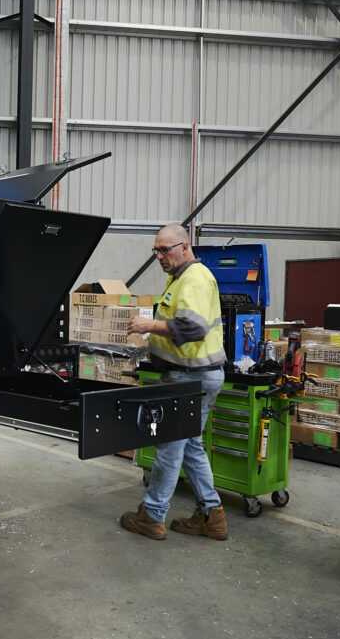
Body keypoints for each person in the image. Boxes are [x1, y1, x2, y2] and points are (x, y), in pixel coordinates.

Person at [120, 224, 228, 541]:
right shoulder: (178, 278)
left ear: (184, 246)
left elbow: (192, 328)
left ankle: (152, 516)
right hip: (191, 376)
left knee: (169, 446)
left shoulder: (195, 278)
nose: (159, 256)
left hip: (191, 378)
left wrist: (148, 325)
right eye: (156, 250)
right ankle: (212, 516)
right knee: (191, 446)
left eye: (165, 249)